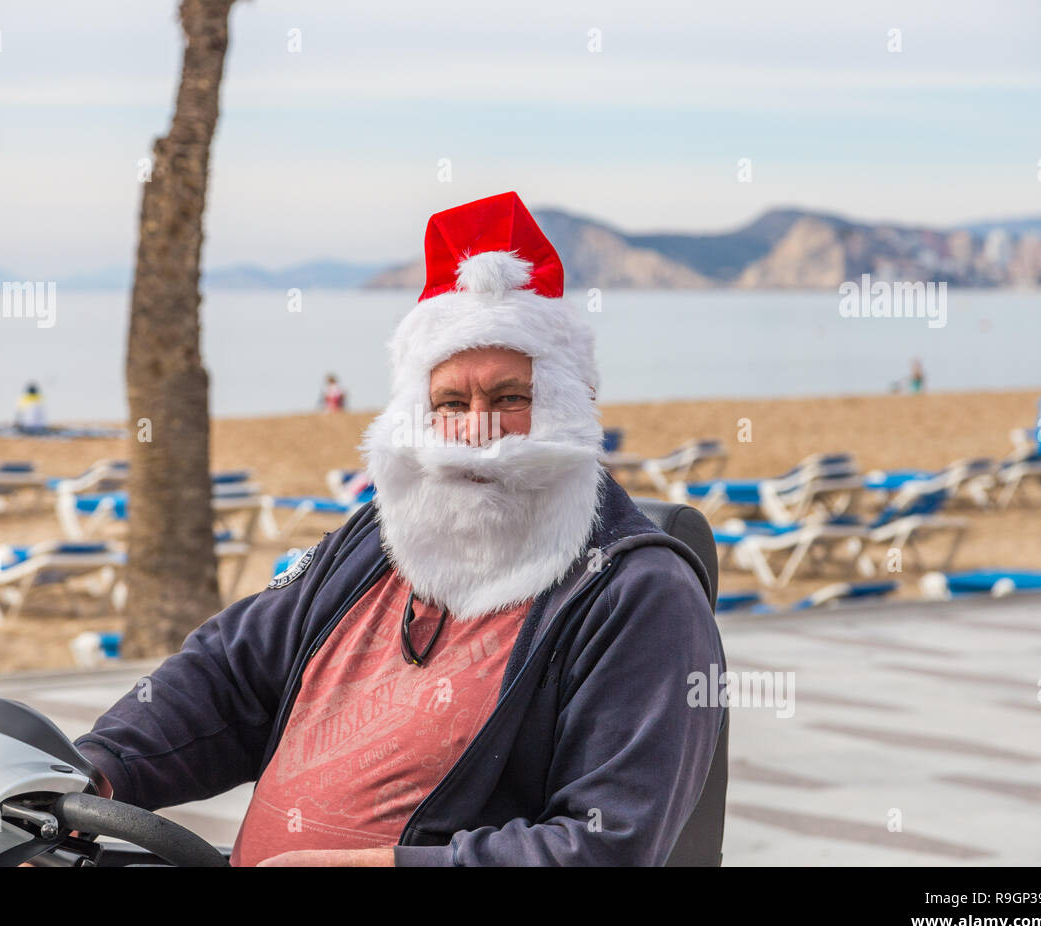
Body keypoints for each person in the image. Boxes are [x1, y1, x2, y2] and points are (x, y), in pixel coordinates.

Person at [72, 192, 727, 867]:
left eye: (510, 398)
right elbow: (229, 675)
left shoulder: (640, 597)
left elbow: (605, 846)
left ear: (570, 404)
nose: (477, 431)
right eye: (452, 402)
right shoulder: (376, 541)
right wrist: (97, 771)